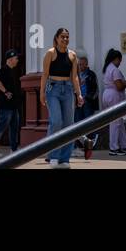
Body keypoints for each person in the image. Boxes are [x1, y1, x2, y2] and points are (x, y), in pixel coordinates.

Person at [41, 28, 84, 167]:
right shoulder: (50, 53)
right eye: (62, 37)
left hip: (68, 89)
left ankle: (65, 159)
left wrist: (79, 94)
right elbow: (45, 74)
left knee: (68, 125)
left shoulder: (72, 55)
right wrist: (42, 93)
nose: (65, 39)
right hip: (53, 88)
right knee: (56, 121)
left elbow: (75, 77)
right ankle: (53, 156)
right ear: (57, 38)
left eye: (67, 37)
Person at [0, 49, 23, 157]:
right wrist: (5, 91)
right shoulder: (4, 69)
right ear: (10, 59)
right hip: (5, 106)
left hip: (14, 105)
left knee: (14, 128)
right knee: (1, 126)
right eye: (16, 58)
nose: (17, 60)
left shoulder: (14, 70)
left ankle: (14, 149)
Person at [101, 48, 126, 157]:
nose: (120, 63)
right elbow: (119, 86)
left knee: (118, 122)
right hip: (114, 95)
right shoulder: (114, 70)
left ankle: (125, 145)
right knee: (116, 123)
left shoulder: (107, 68)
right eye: (120, 60)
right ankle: (114, 147)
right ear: (116, 59)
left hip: (107, 94)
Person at [73, 54, 100, 157]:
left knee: (89, 123)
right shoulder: (75, 75)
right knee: (78, 123)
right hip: (78, 102)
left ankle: (90, 143)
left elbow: (95, 90)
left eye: (82, 64)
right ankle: (80, 144)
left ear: (87, 64)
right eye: (79, 64)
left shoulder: (91, 75)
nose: (80, 66)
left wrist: (87, 98)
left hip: (88, 102)